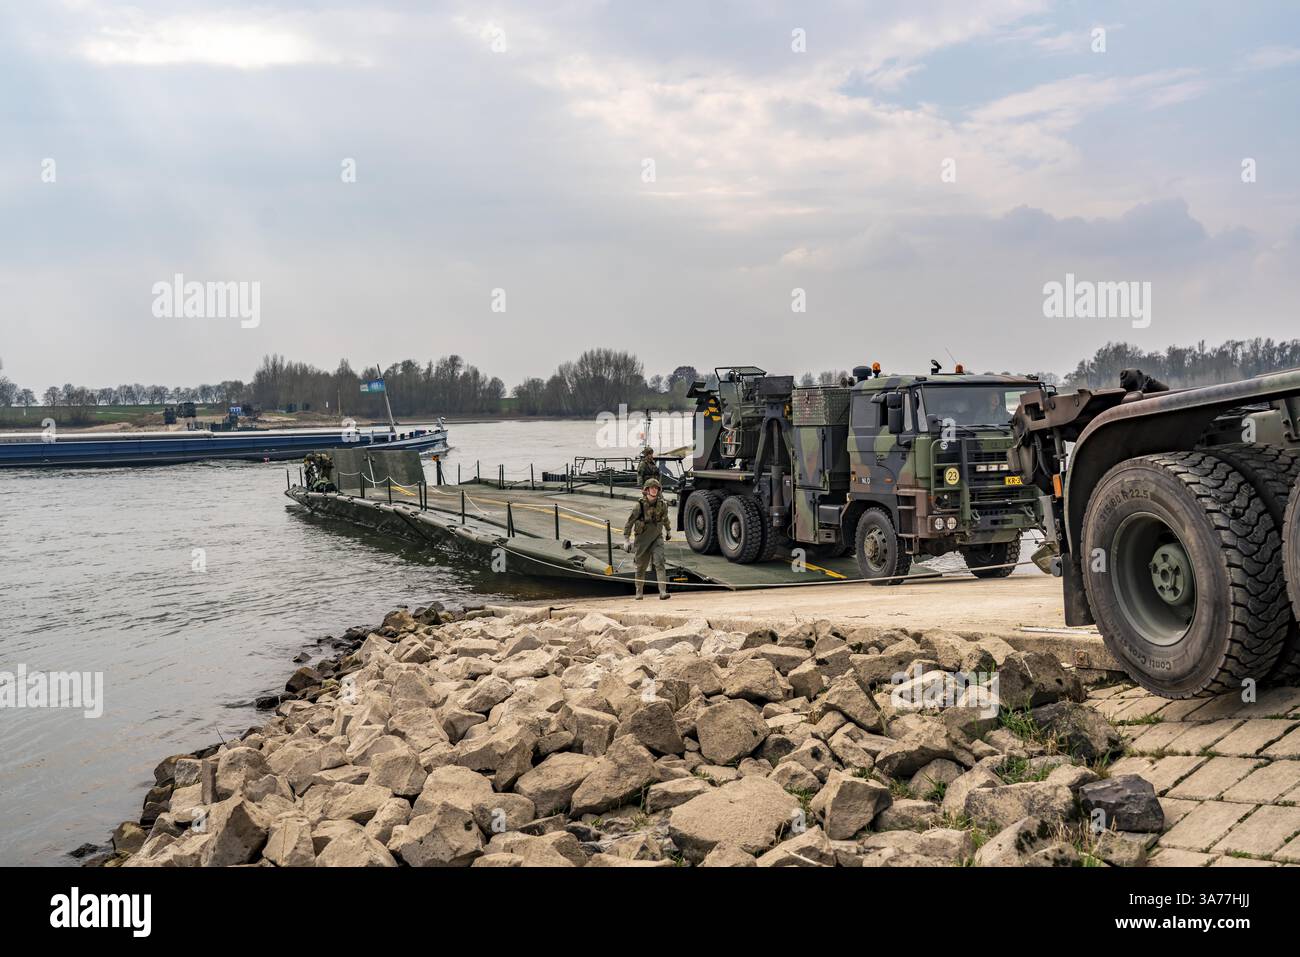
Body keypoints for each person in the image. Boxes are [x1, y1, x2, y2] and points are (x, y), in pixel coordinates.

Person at [623, 477, 672, 599]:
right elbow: (629, 523)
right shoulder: (639, 506)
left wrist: (668, 530)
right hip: (642, 540)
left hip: (657, 537)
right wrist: (626, 539)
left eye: (656, 488)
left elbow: (665, 519)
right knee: (641, 566)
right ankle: (639, 592)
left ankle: (662, 592)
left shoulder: (662, 505)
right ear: (646, 490)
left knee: (660, 562)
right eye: (652, 488)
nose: (654, 490)